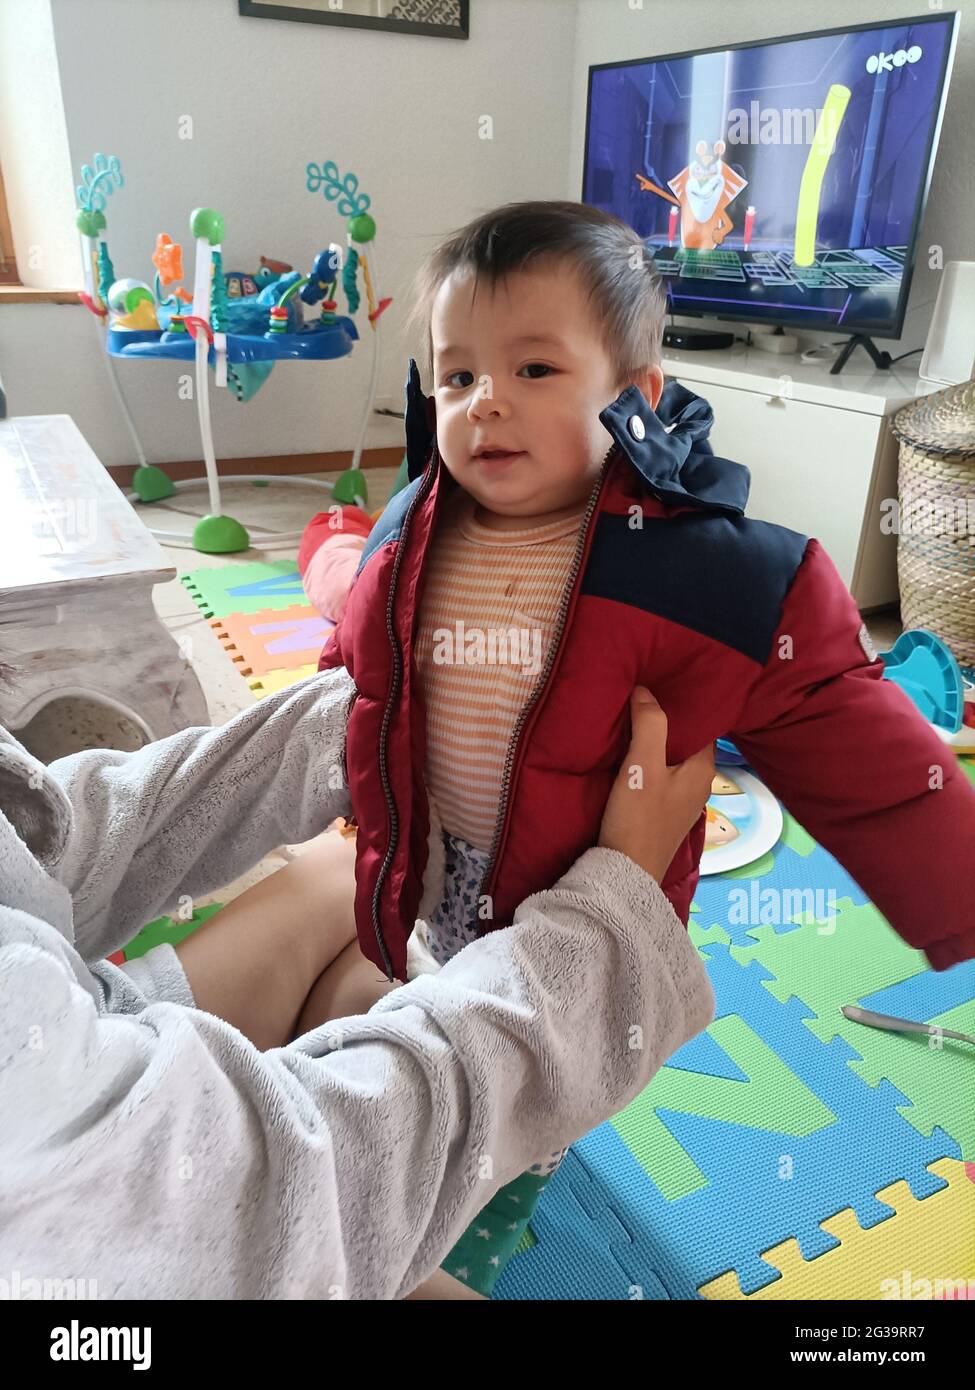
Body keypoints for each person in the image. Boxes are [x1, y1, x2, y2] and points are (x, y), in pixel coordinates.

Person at [309, 199, 975, 1292]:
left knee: (526, 1088)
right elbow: (354, 654)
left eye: (533, 370)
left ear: (638, 397)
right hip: (436, 882)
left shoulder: (696, 574)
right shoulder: (411, 534)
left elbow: (857, 739)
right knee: (416, 1014)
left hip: (578, 906)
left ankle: (522, 1153)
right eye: (459, 375)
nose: (485, 406)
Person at [0, 667, 715, 1300]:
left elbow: (42, 853)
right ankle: (422, 1230)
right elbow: (220, 1212)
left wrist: (363, 728)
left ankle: (420, 1214)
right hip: (105, 1243)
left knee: (344, 884)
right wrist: (607, 919)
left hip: (83, 1041)